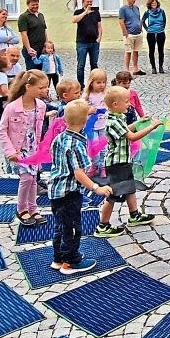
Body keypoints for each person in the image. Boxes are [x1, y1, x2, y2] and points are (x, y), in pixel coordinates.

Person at [47, 100, 113, 274]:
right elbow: (79, 173)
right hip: (69, 192)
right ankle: (71, 262)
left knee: (61, 226)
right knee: (73, 227)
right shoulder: (76, 145)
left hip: (56, 191)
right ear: (84, 121)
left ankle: (58, 258)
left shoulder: (60, 137)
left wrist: (87, 111)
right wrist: (96, 188)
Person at [95, 86, 163, 237]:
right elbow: (131, 136)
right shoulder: (112, 121)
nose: (129, 104)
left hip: (123, 161)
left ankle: (134, 215)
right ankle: (103, 225)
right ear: (115, 105)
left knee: (130, 188)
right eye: (126, 102)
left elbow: (126, 130)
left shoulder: (117, 117)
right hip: (116, 164)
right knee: (113, 195)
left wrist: (139, 123)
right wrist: (151, 127)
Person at [0, 70, 49, 227]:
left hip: (34, 149)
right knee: (26, 178)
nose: (45, 90)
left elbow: (39, 129)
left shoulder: (41, 106)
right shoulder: (12, 108)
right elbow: (2, 131)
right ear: (28, 87)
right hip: (19, 150)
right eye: (41, 87)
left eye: (46, 87)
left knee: (33, 179)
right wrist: (10, 151)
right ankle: (21, 209)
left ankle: (33, 208)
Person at [71, 0, 102, 86]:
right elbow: (74, 20)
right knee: (81, 65)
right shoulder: (78, 12)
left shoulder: (96, 12)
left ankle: (93, 84)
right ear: (83, 2)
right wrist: (85, 12)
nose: (89, 3)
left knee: (94, 64)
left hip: (94, 42)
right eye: (87, 1)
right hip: (82, 42)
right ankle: (81, 85)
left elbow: (99, 26)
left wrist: (99, 38)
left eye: (91, 1)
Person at [83, 68, 109, 173]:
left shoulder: (105, 94)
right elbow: (81, 109)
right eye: (98, 82)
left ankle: (102, 166)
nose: (101, 85)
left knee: (103, 147)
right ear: (91, 83)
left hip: (103, 125)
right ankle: (94, 164)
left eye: (103, 82)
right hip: (91, 127)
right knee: (93, 146)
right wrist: (89, 110)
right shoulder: (87, 96)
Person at [18, 0, 48, 70]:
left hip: (42, 49)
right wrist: (28, 48)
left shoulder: (41, 15)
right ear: (28, 5)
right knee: (32, 73)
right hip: (32, 50)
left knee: (43, 73)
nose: (35, 6)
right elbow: (23, 34)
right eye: (32, 5)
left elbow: (44, 31)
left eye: (36, 4)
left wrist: (47, 44)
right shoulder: (24, 17)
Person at [142, 0, 167, 75]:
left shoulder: (162, 11)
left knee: (161, 50)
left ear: (157, 4)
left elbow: (164, 21)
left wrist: (161, 28)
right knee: (151, 51)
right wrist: (147, 29)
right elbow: (142, 21)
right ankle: (153, 67)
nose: (154, 4)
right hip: (151, 33)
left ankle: (160, 66)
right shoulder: (147, 12)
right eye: (152, 3)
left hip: (160, 33)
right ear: (150, 4)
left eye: (155, 3)